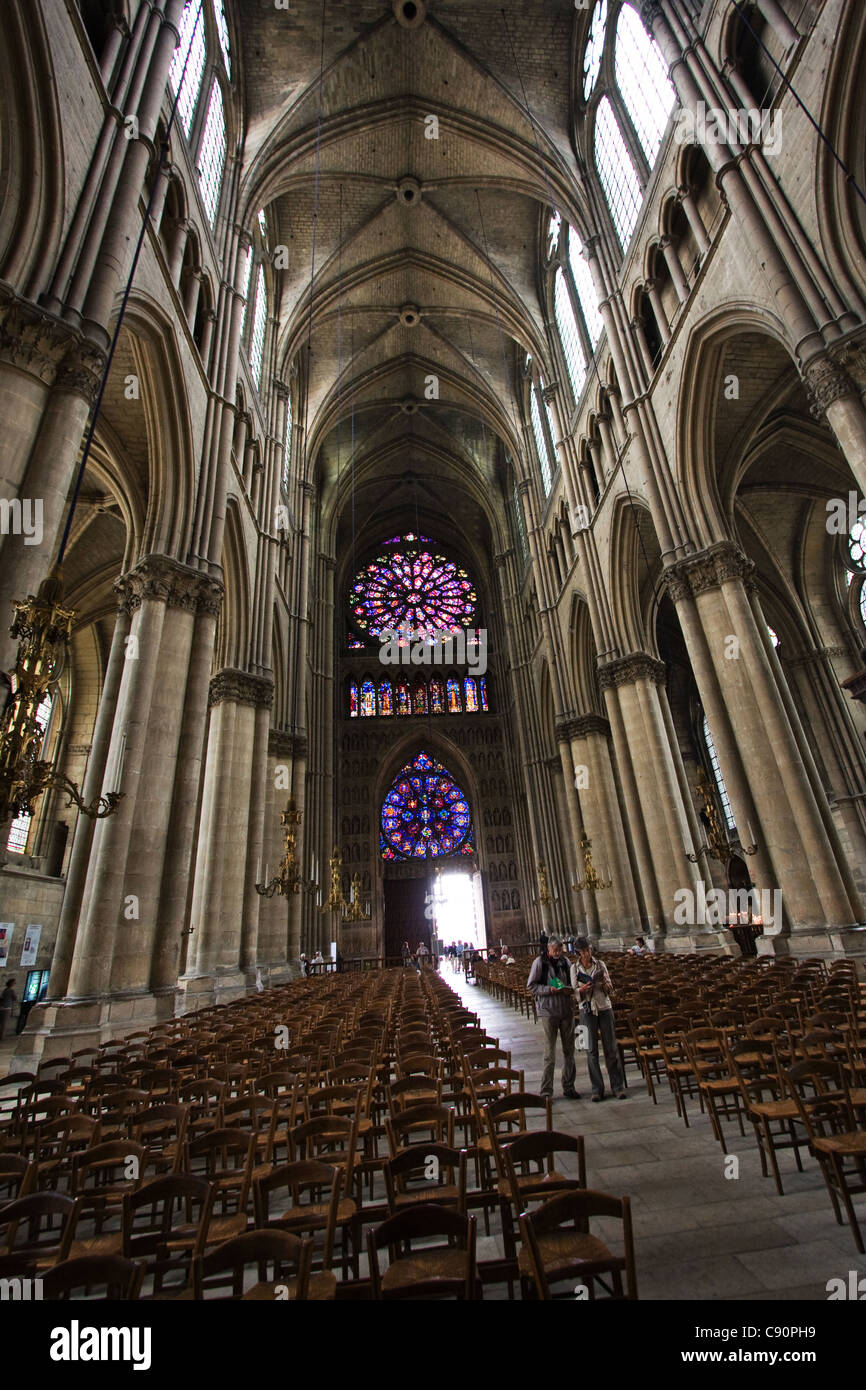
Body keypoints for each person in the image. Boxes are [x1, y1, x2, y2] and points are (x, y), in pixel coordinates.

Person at [571, 936, 626, 1102]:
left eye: (589, 950)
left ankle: (617, 1087)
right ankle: (597, 1089)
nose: (587, 953)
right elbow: (573, 992)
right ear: (579, 953)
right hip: (586, 1010)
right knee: (591, 1051)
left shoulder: (600, 965)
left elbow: (611, 988)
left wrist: (604, 985)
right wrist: (581, 989)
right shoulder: (574, 968)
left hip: (604, 1008)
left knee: (611, 1048)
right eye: (584, 951)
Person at [527, 936, 580, 1100]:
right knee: (550, 1053)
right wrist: (549, 989)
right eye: (554, 950)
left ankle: (569, 1086)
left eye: (560, 949)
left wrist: (570, 989)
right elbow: (531, 986)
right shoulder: (540, 963)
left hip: (566, 1010)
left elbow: (574, 982)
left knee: (569, 1050)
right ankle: (546, 1091)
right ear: (548, 950)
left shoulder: (566, 962)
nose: (558, 953)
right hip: (548, 1011)